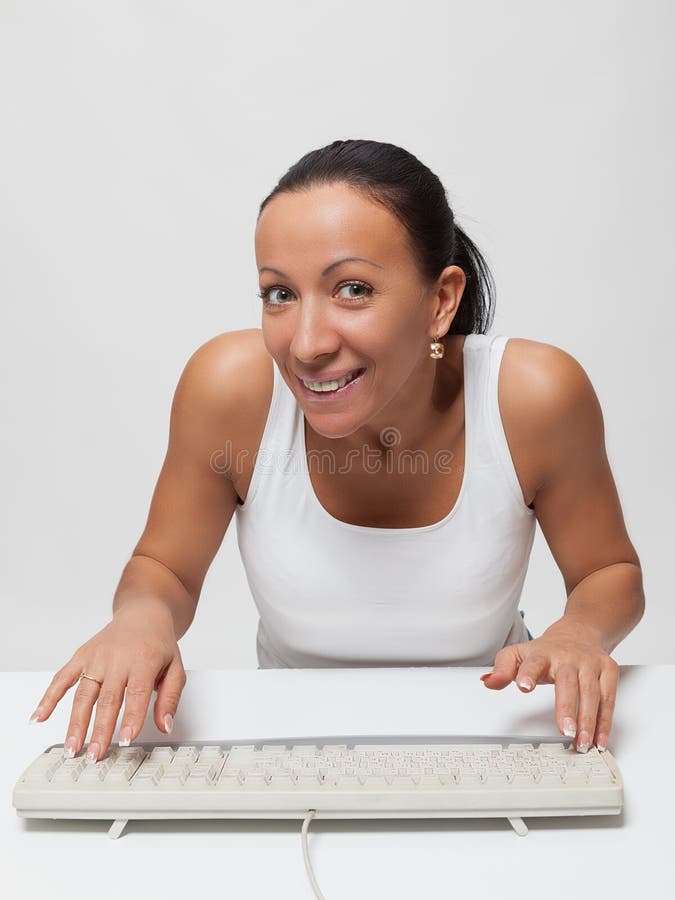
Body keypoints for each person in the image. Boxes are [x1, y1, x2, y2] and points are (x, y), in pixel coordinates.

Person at [29, 139, 645, 766]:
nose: (306, 344)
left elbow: (607, 572)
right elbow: (165, 567)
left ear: (441, 302)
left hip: (492, 734)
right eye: (279, 293)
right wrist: (141, 619)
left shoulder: (534, 395)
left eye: (352, 289)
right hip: (291, 745)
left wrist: (580, 633)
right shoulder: (230, 388)